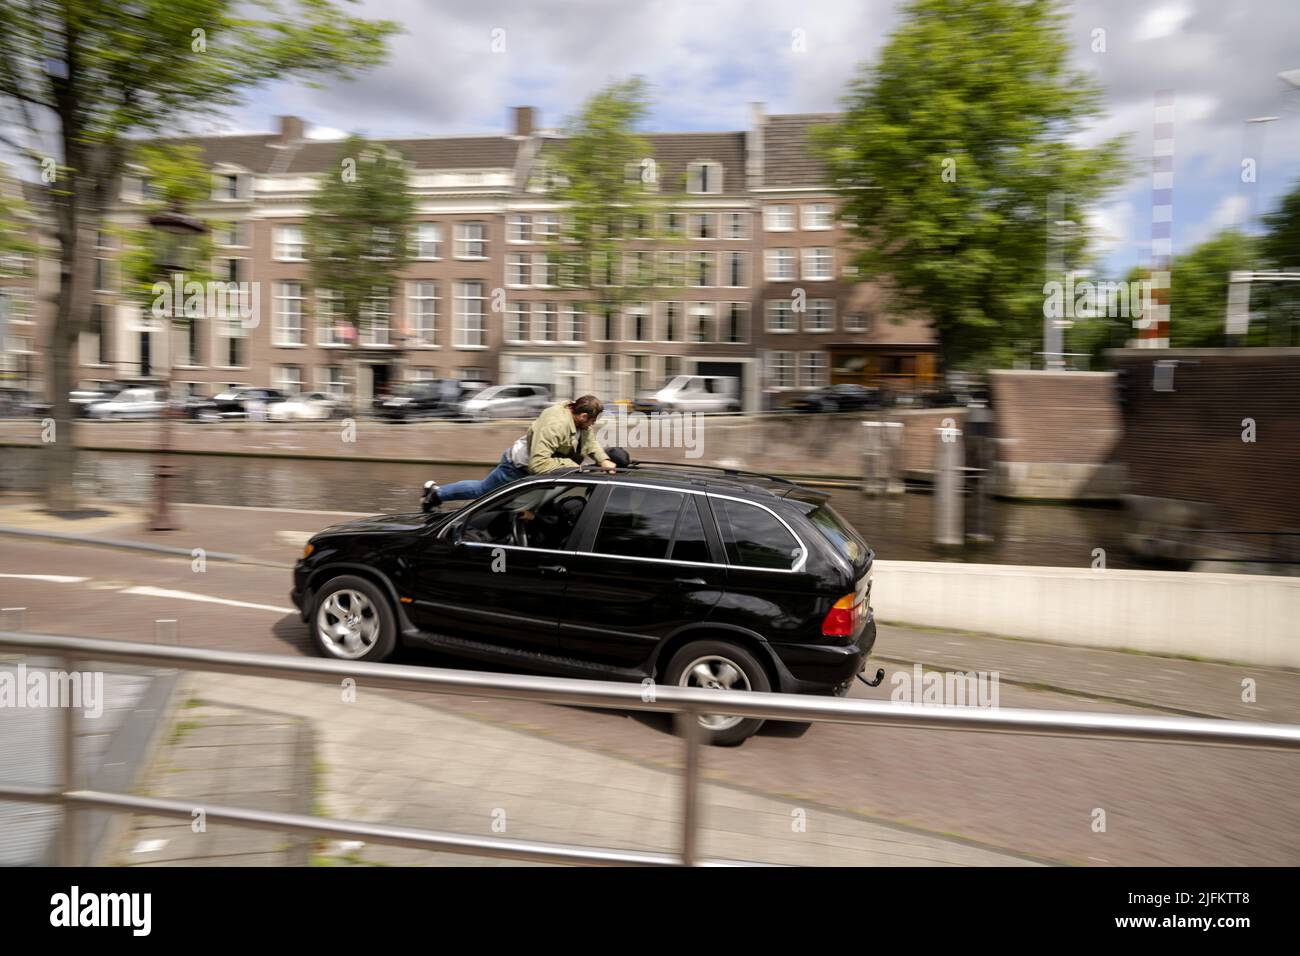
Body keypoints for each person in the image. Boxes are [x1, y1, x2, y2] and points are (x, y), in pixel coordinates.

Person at [422, 394, 617, 511]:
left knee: (529, 507)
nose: (593, 425)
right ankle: (436, 494)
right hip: (517, 467)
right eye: (593, 420)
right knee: (482, 491)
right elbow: (538, 465)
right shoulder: (555, 425)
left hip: (540, 472)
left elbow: (588, 439)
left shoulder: (579, 420)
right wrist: (576, 467)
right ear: (583, 416)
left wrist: (604, 460)